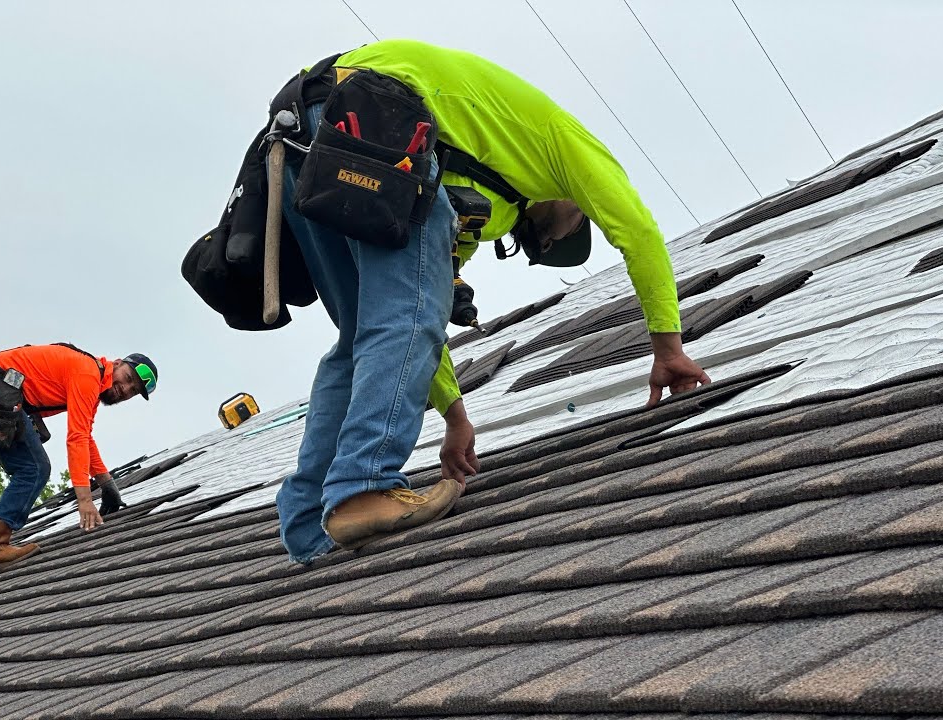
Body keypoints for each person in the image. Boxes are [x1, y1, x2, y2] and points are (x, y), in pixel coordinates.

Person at [271, 40, 711, 564]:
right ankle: (362, 486)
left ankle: (306, 527)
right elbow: (639, 234)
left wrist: (456, 418)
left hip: (302, 129)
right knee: (402, 320)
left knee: (358, 339)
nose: (547, 243)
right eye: (567, 232)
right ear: (574, 202)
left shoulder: (484, 190)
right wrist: (668, 348)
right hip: (373, 115)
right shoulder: (568, 147)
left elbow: (416, 317)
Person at [0, 343, 157, 597]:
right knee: (34, 468)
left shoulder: (91, 377)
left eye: (133, 391)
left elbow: (85, 437)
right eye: (127, 379)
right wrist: (85, 499)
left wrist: (107, 484)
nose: (125, 389)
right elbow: (77, 437)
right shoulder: (88, 373)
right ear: (119, 363)